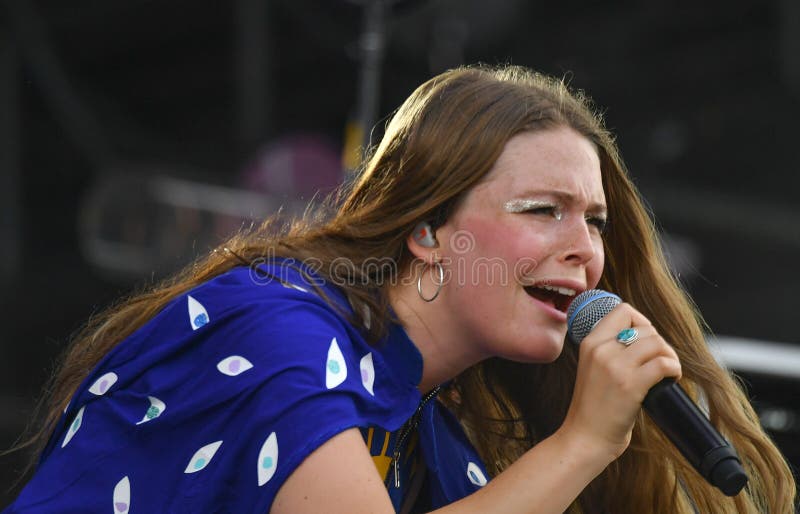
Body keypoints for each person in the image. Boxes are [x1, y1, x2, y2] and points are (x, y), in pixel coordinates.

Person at [3, 65, 795, 513]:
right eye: (543, 211)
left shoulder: (431, 439)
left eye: (594, 221)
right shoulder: (274, 324)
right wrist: (583, 443)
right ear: (426, 230)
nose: (585, 250)